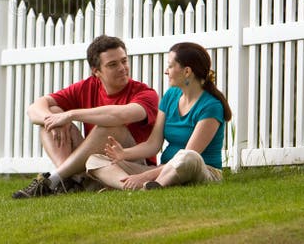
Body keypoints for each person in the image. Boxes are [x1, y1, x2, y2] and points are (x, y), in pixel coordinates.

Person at [12, 35, 159, 198]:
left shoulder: (146, 93)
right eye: (113, 64)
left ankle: (55, 178)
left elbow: (121, 115)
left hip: (131, 164)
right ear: (96, 71)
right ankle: (69, 180)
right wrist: (53, 119)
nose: (122, 68)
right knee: (52, 114)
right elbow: (34, 109)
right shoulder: (87, 86)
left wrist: (71, 114)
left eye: (124, 61)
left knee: (111, 125)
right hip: (94, 163)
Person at [85, 42, 232, 190]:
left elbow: (187, 156)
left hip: (201, 171)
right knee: (94, 160)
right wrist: (124, 154)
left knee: (188, 157)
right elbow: (153, 144)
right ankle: (138, 187)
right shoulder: (170, 96)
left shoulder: (211, 106)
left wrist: (142, 176)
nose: (166, 71)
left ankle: (151, 184)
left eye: (170, 66)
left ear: (187, 72)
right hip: (163, 170)